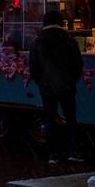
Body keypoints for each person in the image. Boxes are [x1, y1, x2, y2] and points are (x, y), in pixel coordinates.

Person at [28, 10, 84, 164]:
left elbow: (33, 66)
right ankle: (73, 151)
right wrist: (71, 80)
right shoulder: (69, 40)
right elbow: (78, 64)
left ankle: (52, 153)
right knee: (70, 118)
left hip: (46, 87)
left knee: (49, 118)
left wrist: (41, 81)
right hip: (66, 86)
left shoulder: (38, 41)